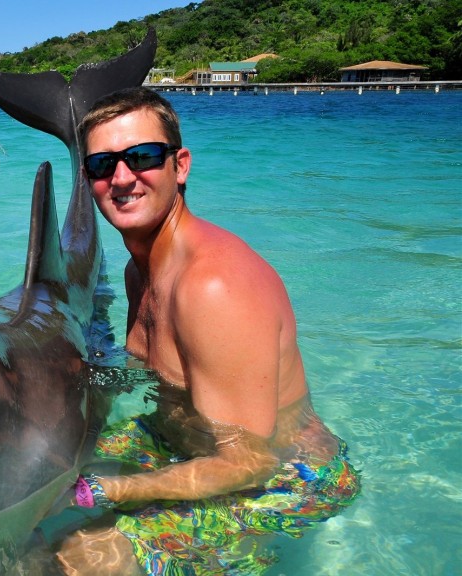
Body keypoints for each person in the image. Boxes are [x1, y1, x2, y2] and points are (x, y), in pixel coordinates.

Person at [54, 88, 361, 575]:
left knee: (83, 556)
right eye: (102, 164)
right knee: (36, 486)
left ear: (181, 165)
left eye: (143, 157)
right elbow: (161, 378)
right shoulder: (143, 270)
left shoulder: (213, 285)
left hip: (285, 480)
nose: (122, 177)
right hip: (178, 444)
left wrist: (109, 488)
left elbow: (252, 462)